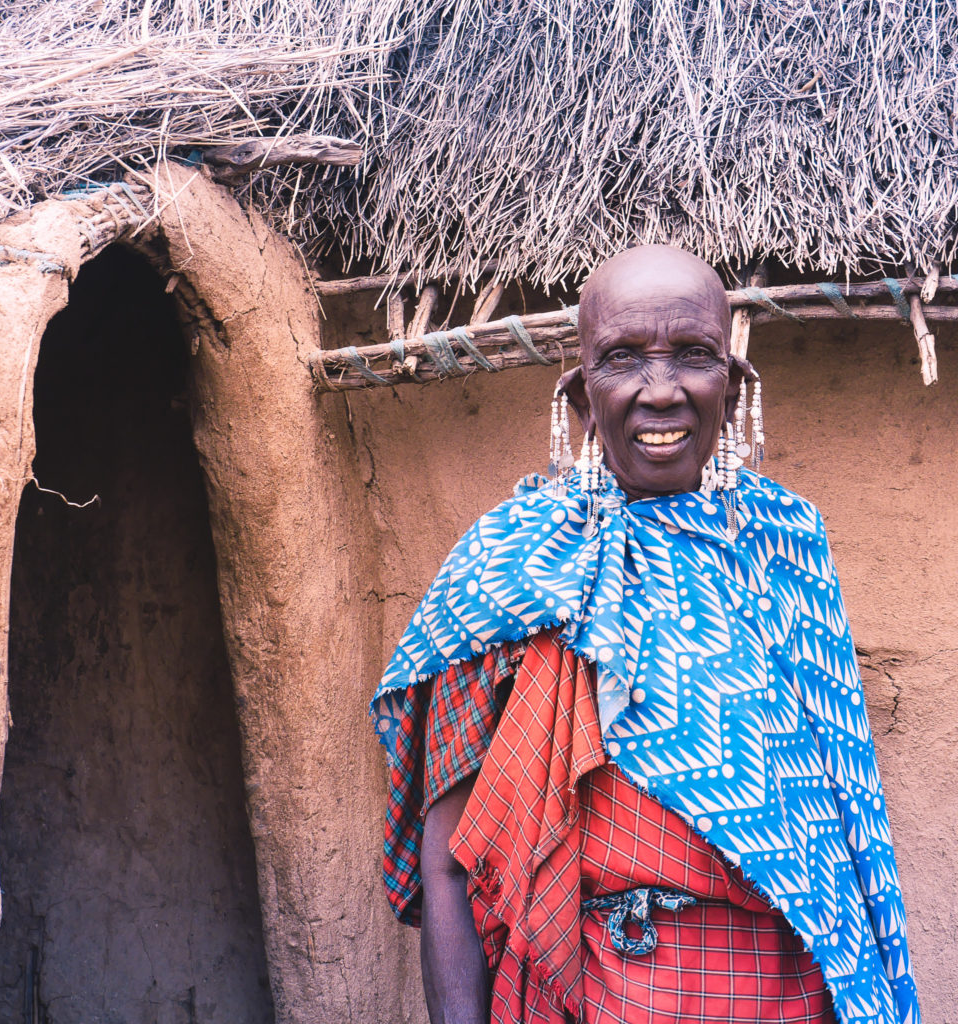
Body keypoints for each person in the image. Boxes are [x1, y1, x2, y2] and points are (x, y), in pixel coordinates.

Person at [370, 246, 919, 1024]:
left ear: (733, 388)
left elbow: (847, 815)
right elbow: (451, 867)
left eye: (693, 354)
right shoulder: (509, 567)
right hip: (594, 989)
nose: (661, 391)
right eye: (623, 358)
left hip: (792, 991)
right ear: (580, 398)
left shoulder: (783, 543)